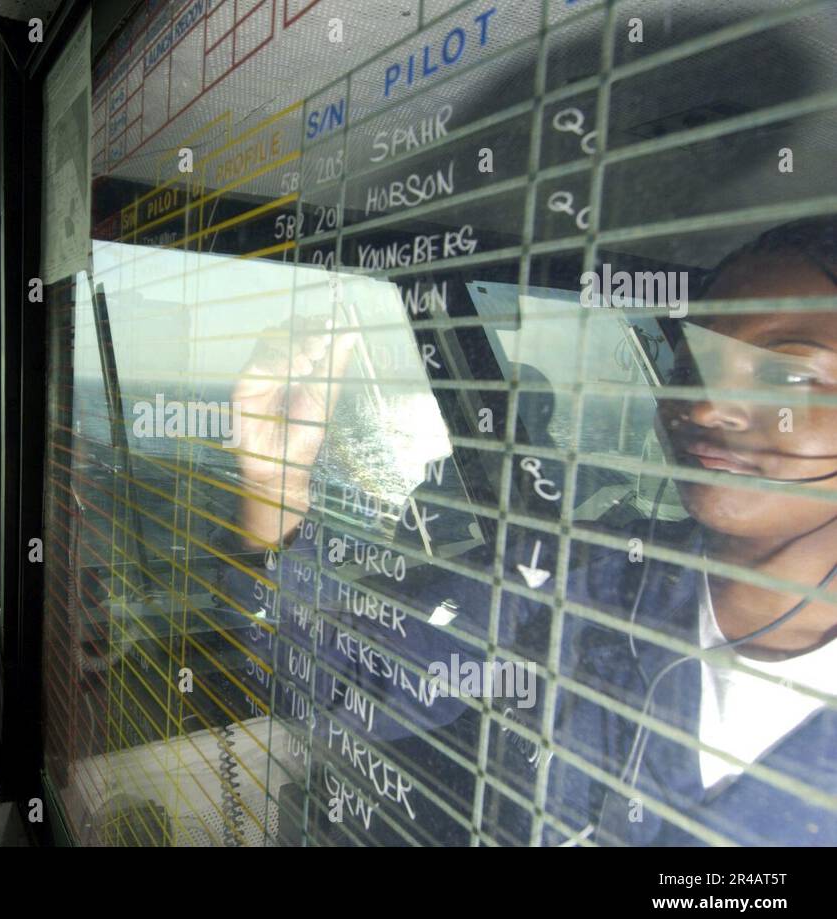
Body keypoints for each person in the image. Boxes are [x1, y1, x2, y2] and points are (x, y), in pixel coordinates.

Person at [224, 217, 837, 846]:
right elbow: (346, 684)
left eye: (786, 376)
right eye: (690, 369)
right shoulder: (578, 576)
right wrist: (275, 487)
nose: (705, 408)